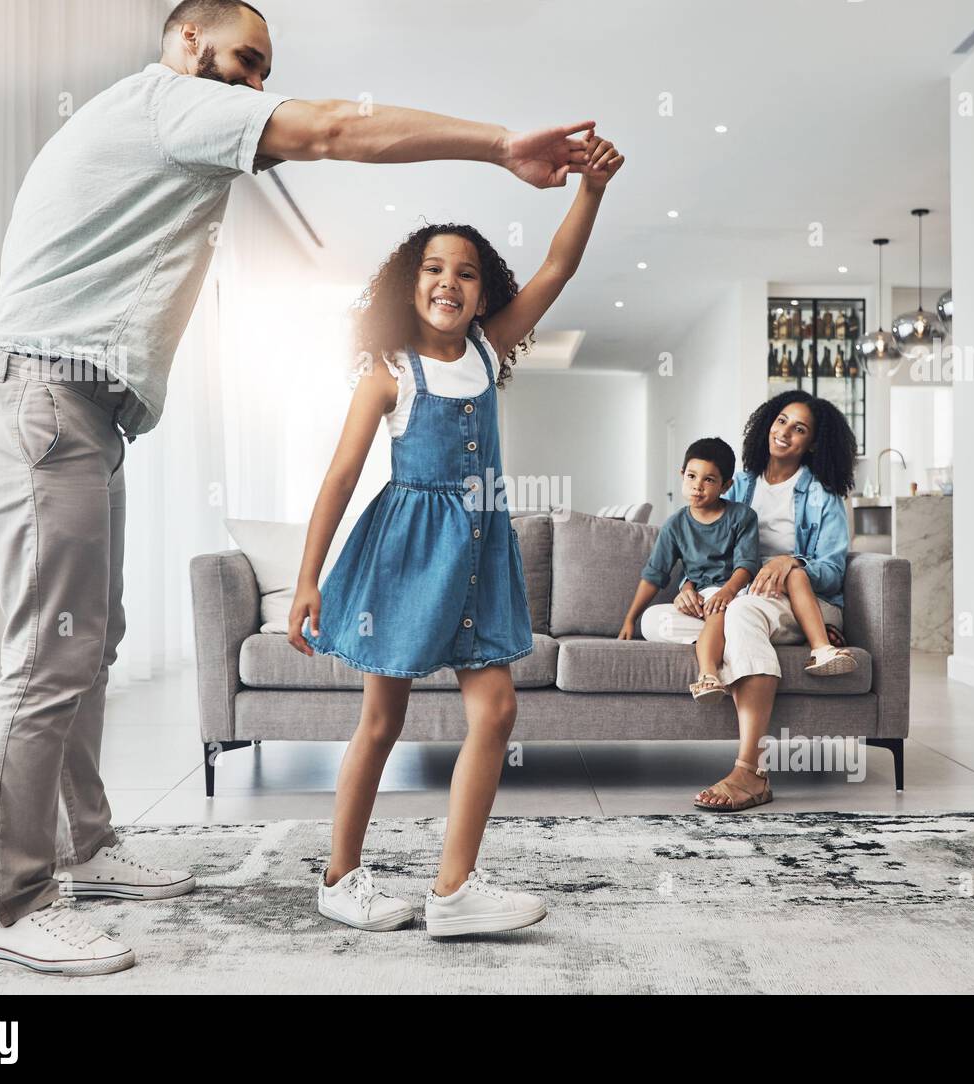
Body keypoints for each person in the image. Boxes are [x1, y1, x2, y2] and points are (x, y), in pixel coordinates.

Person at [0, 0, 600, 976]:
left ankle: (84, 846)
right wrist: (500, 145)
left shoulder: (170, 136)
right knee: (49, 655)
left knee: (89, 641)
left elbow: (549, 274)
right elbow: (333, 127)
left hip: (81, 408)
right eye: (246, 60)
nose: (256, 85)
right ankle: (14, 901)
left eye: (265, 72)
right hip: (37, 392)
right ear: (187, 39)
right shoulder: (171, 102)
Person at [288, 132, 624, 937]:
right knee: (382, 722)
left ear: (483, 293)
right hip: (407, 555)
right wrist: (307, 579)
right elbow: (339, 479)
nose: (449, 281)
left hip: (478, 552)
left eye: (467, 272)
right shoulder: (388, 373)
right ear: (409, 285)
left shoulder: (486, 346)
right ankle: (339, 877)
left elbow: (557, 268)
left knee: (497, 711)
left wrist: (591, 190)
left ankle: (453, 890)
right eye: (434, 268)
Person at [639, 390, 858, 812]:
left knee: (739, 612)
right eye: (781, 420)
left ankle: (750, 771)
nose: (785, 432)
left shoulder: (821, 494)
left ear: (813, 443)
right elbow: (707, 549)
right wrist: (687, 586)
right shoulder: (739, 484)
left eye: (799, 429)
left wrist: (790, 562)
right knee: (657, 621)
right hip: (740, 596)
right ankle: (738, 639)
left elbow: (833, 569)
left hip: (798, 597)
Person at [616, 438, 760, 702]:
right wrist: (629, 619)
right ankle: (724, 639)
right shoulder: (675, 525)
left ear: (726, 486)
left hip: (736, 595)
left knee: (718, 609)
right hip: (701, 602)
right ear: (682, 474)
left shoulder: (742, 516)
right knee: (651, 621)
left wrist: (726, 593)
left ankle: (708, 674)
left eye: (709, 480)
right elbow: (654, 574)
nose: (697, 485)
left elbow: (747, 564)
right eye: (692, 476)